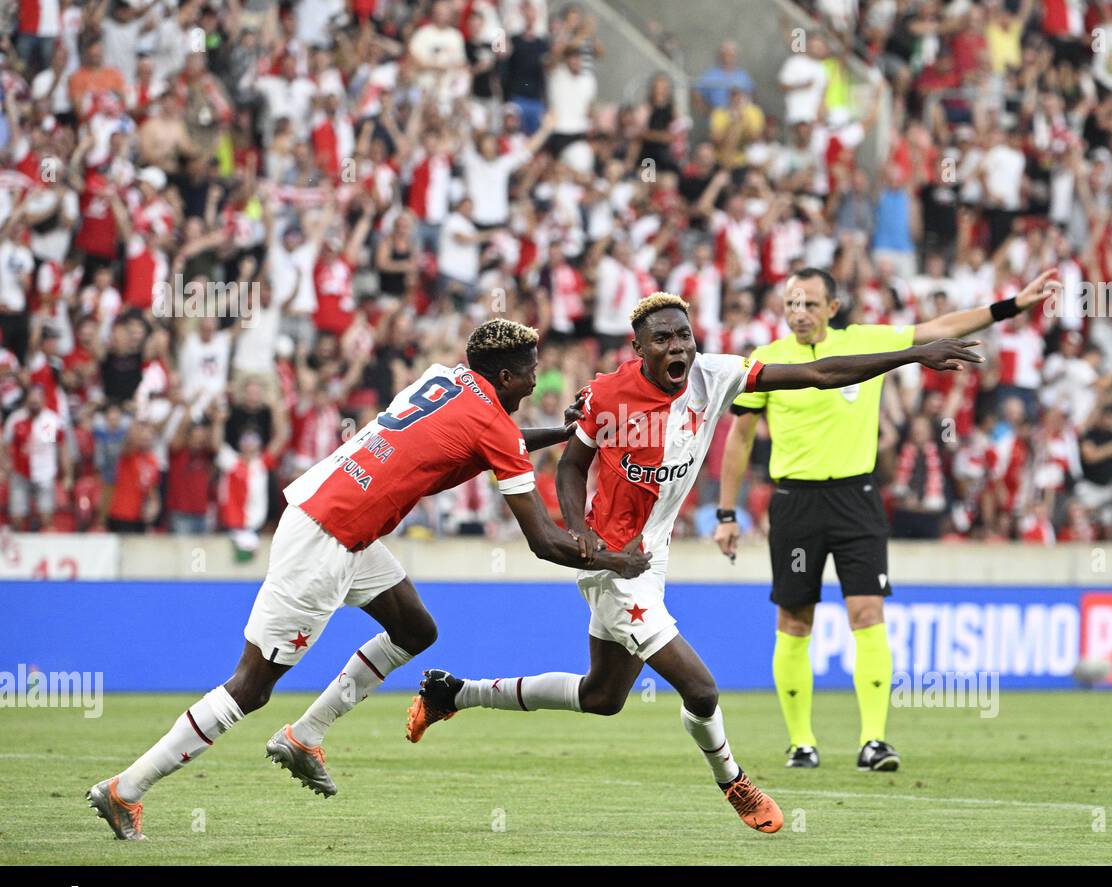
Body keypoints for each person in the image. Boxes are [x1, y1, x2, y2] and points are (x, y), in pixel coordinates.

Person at [404, 292, 982, 833]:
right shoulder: (608, 396)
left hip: (651, 559)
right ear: (639, 348)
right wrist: (580, 534)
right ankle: (734, 783)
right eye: (662, 340)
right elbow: (574, 465)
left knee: (602, 697)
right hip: (612, 564)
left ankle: (454, 693)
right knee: (702, 689)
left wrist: (910, 356)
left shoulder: (715, 375)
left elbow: (818, 374)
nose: (677, 348)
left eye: (684, 336)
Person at [87, 320, 650, 841]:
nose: (538, 375)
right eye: (530, 367)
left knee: (414, 629)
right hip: (327, 540)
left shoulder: (447, 381)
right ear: (505, 376)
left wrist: (561, 432)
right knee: (251, 686)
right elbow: (544, 541)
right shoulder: (492, 425)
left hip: (335, 514)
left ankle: (305, 736)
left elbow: (489, 440)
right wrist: (614, 561)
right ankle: (125, 789)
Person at [713, 266, 1060, 772]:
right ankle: (801, 743)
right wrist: (727, 512)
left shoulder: (867, 341)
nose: (799, 313)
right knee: (793, 620)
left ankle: (874, 741)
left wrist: (1009, 307)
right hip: (795, 502)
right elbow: (740, 438)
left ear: (833, 308)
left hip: (857, 499)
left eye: (809, 303)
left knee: (868, 613)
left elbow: (939, 329)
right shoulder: (766, 360)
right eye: (791, 303)